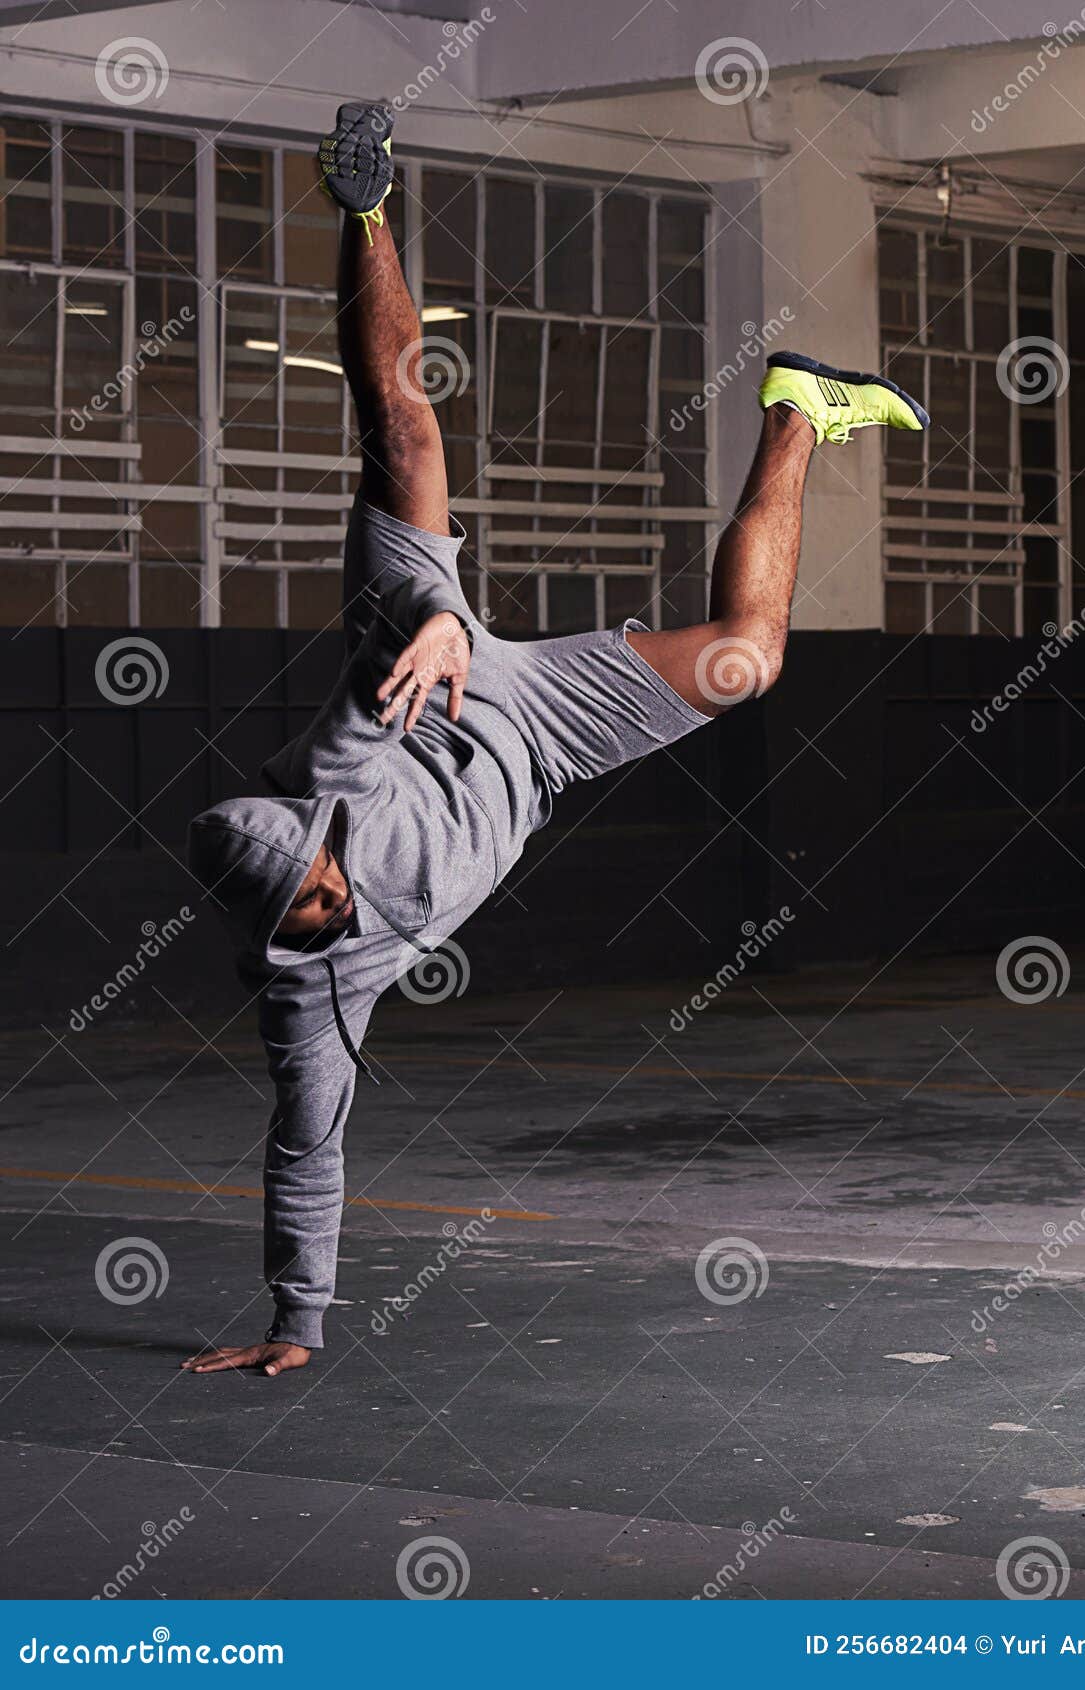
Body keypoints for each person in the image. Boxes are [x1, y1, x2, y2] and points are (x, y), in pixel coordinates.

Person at [182, 103, 929, 1377]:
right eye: (317, 892)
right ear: (294, 915)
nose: (331, 879)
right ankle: (802, 407)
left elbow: (408, 670)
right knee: (749, 658)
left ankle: (363, 201)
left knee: (405, 435)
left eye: (320, 855)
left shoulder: (339, 779)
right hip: (536, 743)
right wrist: (293, 1320)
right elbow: (305, 1147)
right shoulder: (313, 999)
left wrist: (437, 624)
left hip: (424, 669)